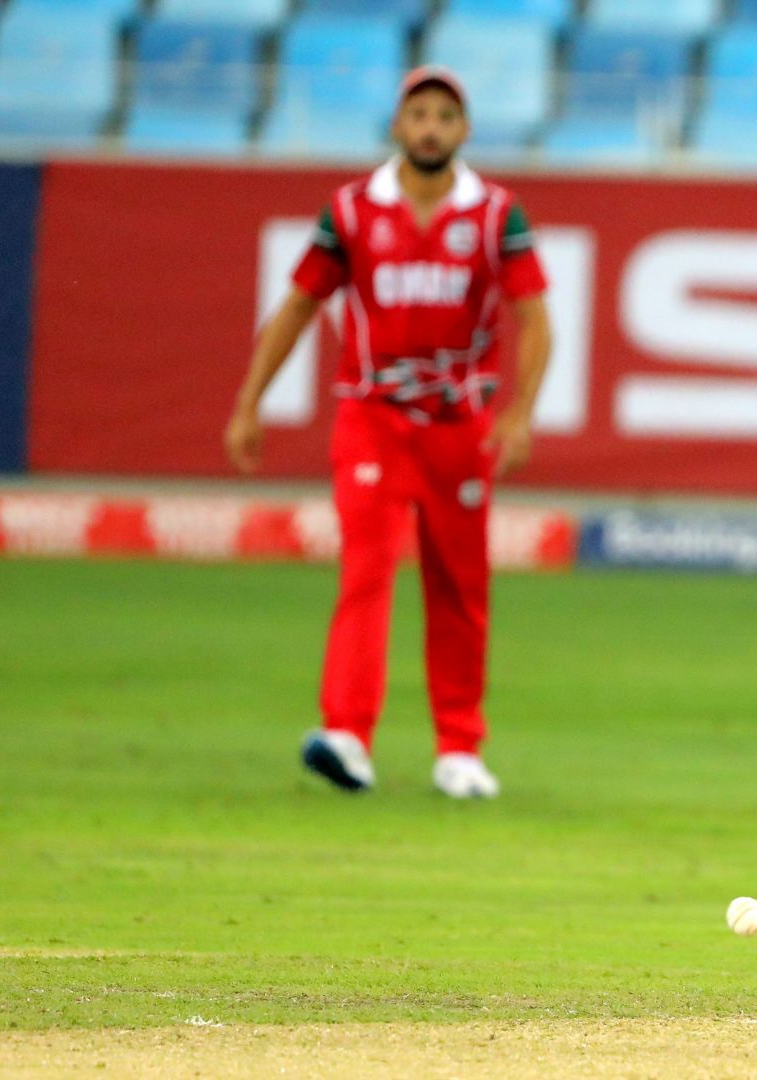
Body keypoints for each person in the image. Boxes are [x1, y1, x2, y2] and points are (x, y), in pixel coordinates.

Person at [223, 66, 551, 800]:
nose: (430, 127)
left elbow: (535, 318)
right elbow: (300, 305)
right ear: (398, 127)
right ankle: (347, 737)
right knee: (366, 570)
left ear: (463, 131)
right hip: (372, 417)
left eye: (444, 116)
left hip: (459, 424)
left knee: (459, 586)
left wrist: (520, 411)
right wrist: (250, 402)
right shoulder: (351, 210)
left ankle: (460, 749)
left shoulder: (496, 213)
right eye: (418, 114)